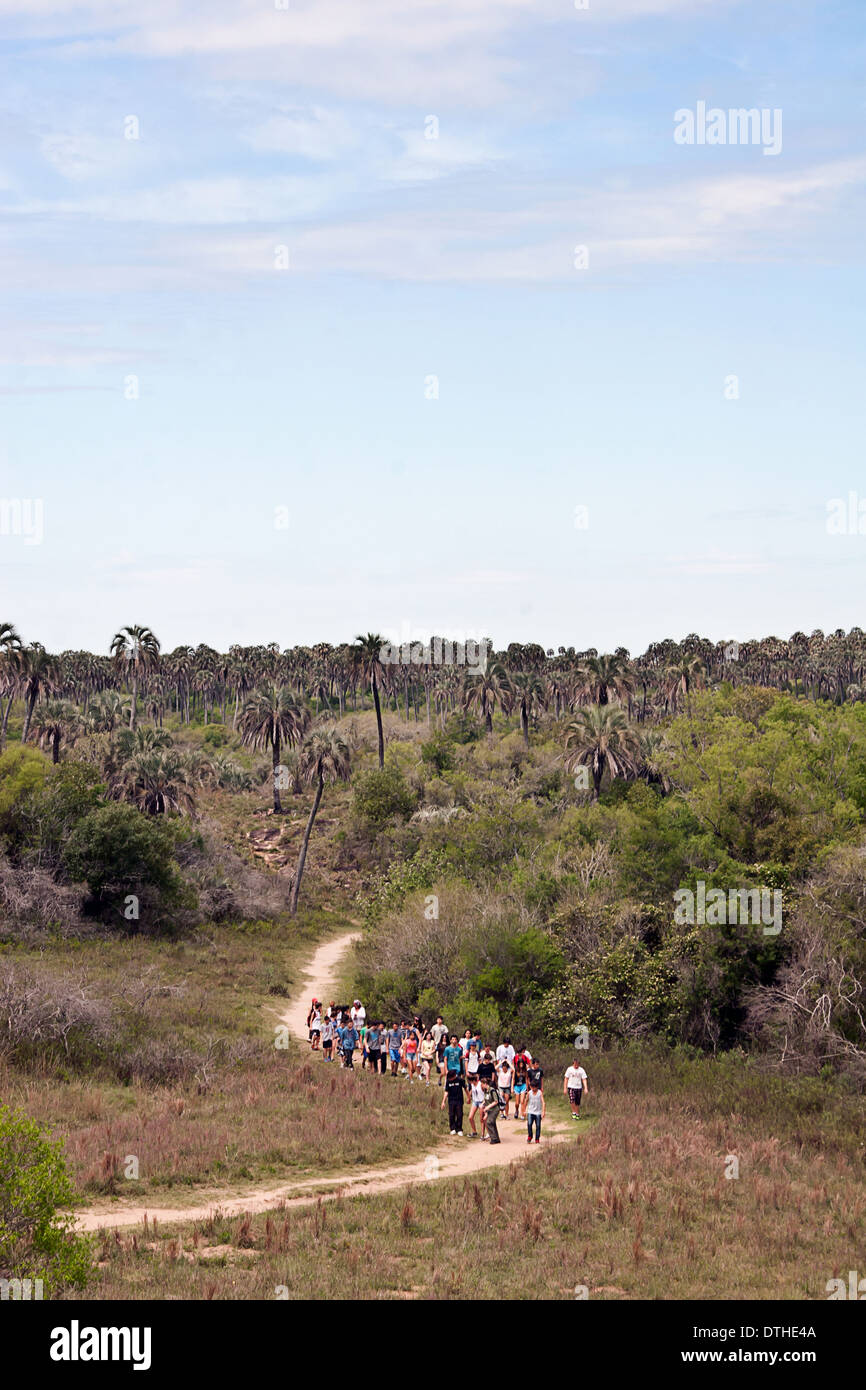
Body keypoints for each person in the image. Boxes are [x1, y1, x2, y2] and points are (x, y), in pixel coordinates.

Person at [441, 1069, 466, 1136]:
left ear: (454, 1076)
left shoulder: (460, 1080)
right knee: (451, 1115)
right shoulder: (448, 1081)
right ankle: (452, 1129)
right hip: (451, 1100)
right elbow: (446, 1091)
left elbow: (465, 1088)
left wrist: (469, 1097)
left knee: (459, 1114)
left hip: (459, 1100)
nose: (450, 1079)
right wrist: (443, 1101)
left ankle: (459, 1129)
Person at [482, 1078, 502, 1145]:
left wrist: (488, 1107)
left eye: (482, 1084)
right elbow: (486, 1099)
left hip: (495, 1109)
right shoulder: (485, 1091)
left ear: (485, 1084)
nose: (481, 1086)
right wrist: (483, 1103)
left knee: (489, 1122)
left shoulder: (492, 1090)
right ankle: (496, 1138)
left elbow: (496, 1101)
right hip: (489, 1110)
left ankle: (493, 1138)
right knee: (492, 1123)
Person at [512, 1050, 528, 1119]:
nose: (521, 1064)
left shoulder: (525, 1070)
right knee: (517, 1103)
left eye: (522, 1063)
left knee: (522, 1101)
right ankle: (516, 1110)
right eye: (520, 1063)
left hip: (523, 1085)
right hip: (516, 1086)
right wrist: (512, 1088)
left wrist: (527, 1087)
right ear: (518, 1064)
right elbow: (513, 1079)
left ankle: (522, 1114)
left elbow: (527, 1079)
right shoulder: (515, 1070)